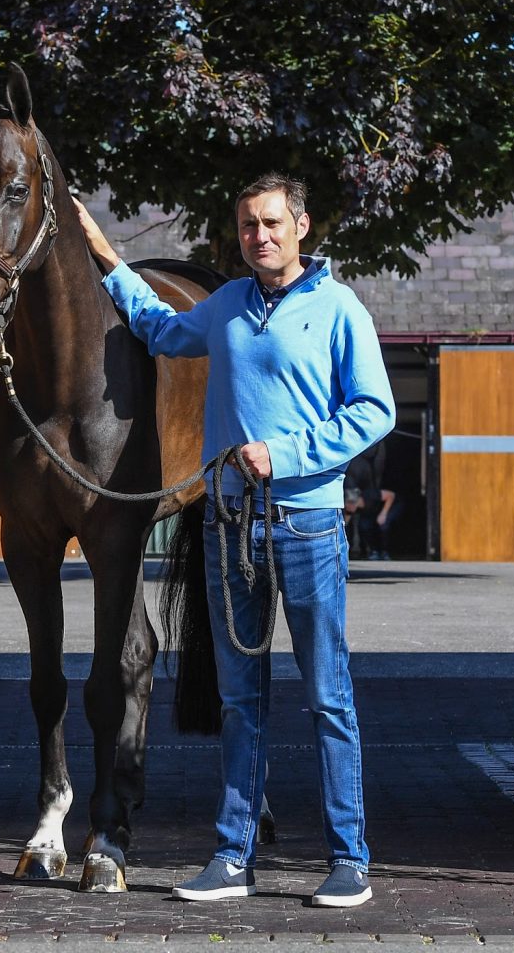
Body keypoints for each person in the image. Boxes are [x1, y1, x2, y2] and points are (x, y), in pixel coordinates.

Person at [75, 173, 394, 910]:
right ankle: (231, 857)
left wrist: (287, 455)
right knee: (238, 700)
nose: (261, 236)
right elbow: (157, 327)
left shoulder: (338, 308)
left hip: (306, 523)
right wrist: (103, 254)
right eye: (249, 225)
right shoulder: (226, 307)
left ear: (302, 226)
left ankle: (350, 860)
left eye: (273, 223)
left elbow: (375, 409)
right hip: (228, 527)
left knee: (326, 696)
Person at [342, 438, 395, 561]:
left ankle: (370, 549)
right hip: (358, 484)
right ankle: (359, 548)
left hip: (362, 487)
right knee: (355, 518)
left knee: (365, 521)